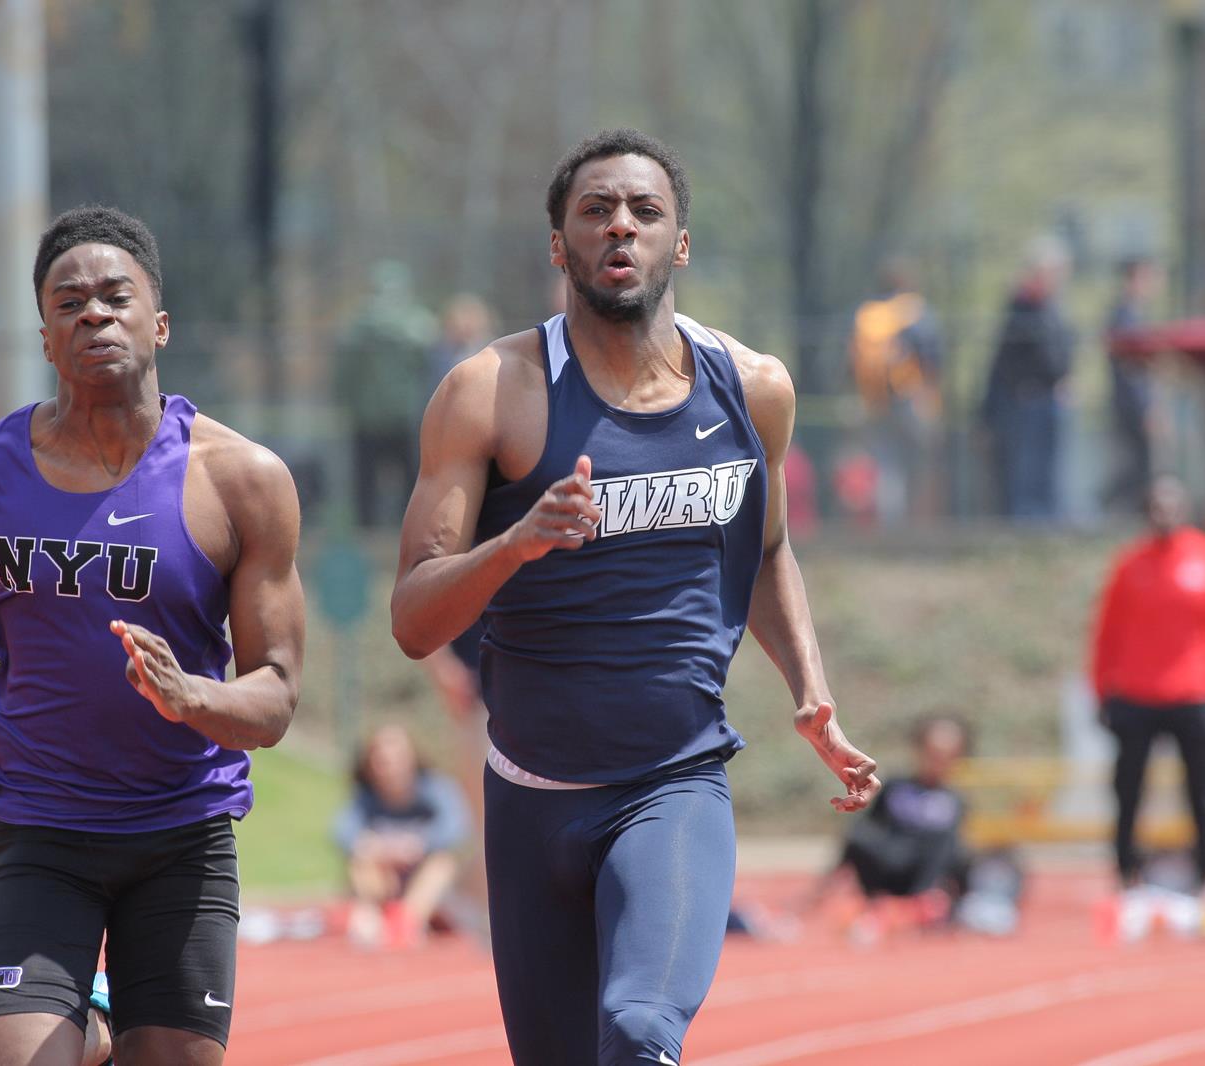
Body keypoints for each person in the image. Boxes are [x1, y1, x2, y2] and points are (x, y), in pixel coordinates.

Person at [389, 128, 881, 1066]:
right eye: (596, 211)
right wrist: (515, 543)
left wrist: (811, 692)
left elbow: (768, 547)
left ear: (680, 244)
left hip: (673, 784)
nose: (621, 227)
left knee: (641, 1030)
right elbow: (414, 620)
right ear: (558, 245)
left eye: (645, 212)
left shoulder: (755, 389)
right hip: (529, 798)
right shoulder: (491, 393)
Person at [0, 205, 306, 1066]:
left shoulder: (242, 481)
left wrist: (194, 697)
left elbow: (276, 696)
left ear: (160, 321)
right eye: (69, 303)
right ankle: (88, 1031)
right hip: (42, 830)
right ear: (44, 336)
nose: (94, 315)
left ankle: (100, 1028)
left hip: (182, 837)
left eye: (116, 296)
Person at [1092, 475, 1205, 898]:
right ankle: (1125, 873)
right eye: (1156, 507)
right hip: (1135, 694)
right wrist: (1101, 688)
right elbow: (1107, 632)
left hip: (1195, 695)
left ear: (1185, 509)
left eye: (1172, 506)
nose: (1165, 514)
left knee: (1202, 792)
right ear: (1147, 512)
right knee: (1128, 791)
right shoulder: (1129, 564)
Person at [805, 715, 972, 936]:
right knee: (859, 836)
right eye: (932, 754)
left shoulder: (954, 800)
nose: (938, 761)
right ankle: (875, 908)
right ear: (919, 750)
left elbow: (954, 856)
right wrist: (824, 887)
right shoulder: (896, 787)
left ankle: (929, 906)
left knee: (949, 841)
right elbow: (868, 830)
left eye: (946, 756)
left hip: (924, 875)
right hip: (890, 866)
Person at [333, 723, 472, 949]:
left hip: (424, 880)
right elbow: (342, 832)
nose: (390, 768)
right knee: (360, 862)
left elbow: (457, 828)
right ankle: (373, 914)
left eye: (397, 759)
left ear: (412, 759)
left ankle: (407, 920)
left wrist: (418, 845)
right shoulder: (365, 799)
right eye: (382, 761)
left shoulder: (436, 789)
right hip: (385, 880)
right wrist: (381, 849)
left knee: (442, 863)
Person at [335, 260, 437, 528]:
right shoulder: (365, 324)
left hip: (400, 415)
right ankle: (372, 536)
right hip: (377, 415)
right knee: (371, 483)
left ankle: (400, 529)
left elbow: (429, 358)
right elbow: (345, 371)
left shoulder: (412, 322)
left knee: (404, 479)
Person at [980, 236, 1075, 521]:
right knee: (1027, 472)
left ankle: (1047, 520)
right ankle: (1027, 524)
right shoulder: (1022, 308)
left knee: (1048, 472)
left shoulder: (1051, 307)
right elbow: (1010, 361)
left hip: (1050, 399)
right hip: (1027, 400)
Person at [849, 257, 945, 524]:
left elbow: (851, 361)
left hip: (876, 403)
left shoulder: (867, 314)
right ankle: (923, 526)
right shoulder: (915, 311)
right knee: (924, 466)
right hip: (912, 400)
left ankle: (891, 527)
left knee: (887, 467)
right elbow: (932, 357)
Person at [1102, 257, 1164, 513]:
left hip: (1133, 406)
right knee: (1135, 467)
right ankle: (1112, 507)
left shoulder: (1134, 314)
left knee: (1139, 466)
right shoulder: (1125, 316)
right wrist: (1146, 408)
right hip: (1131, 408)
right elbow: (1131, 370)